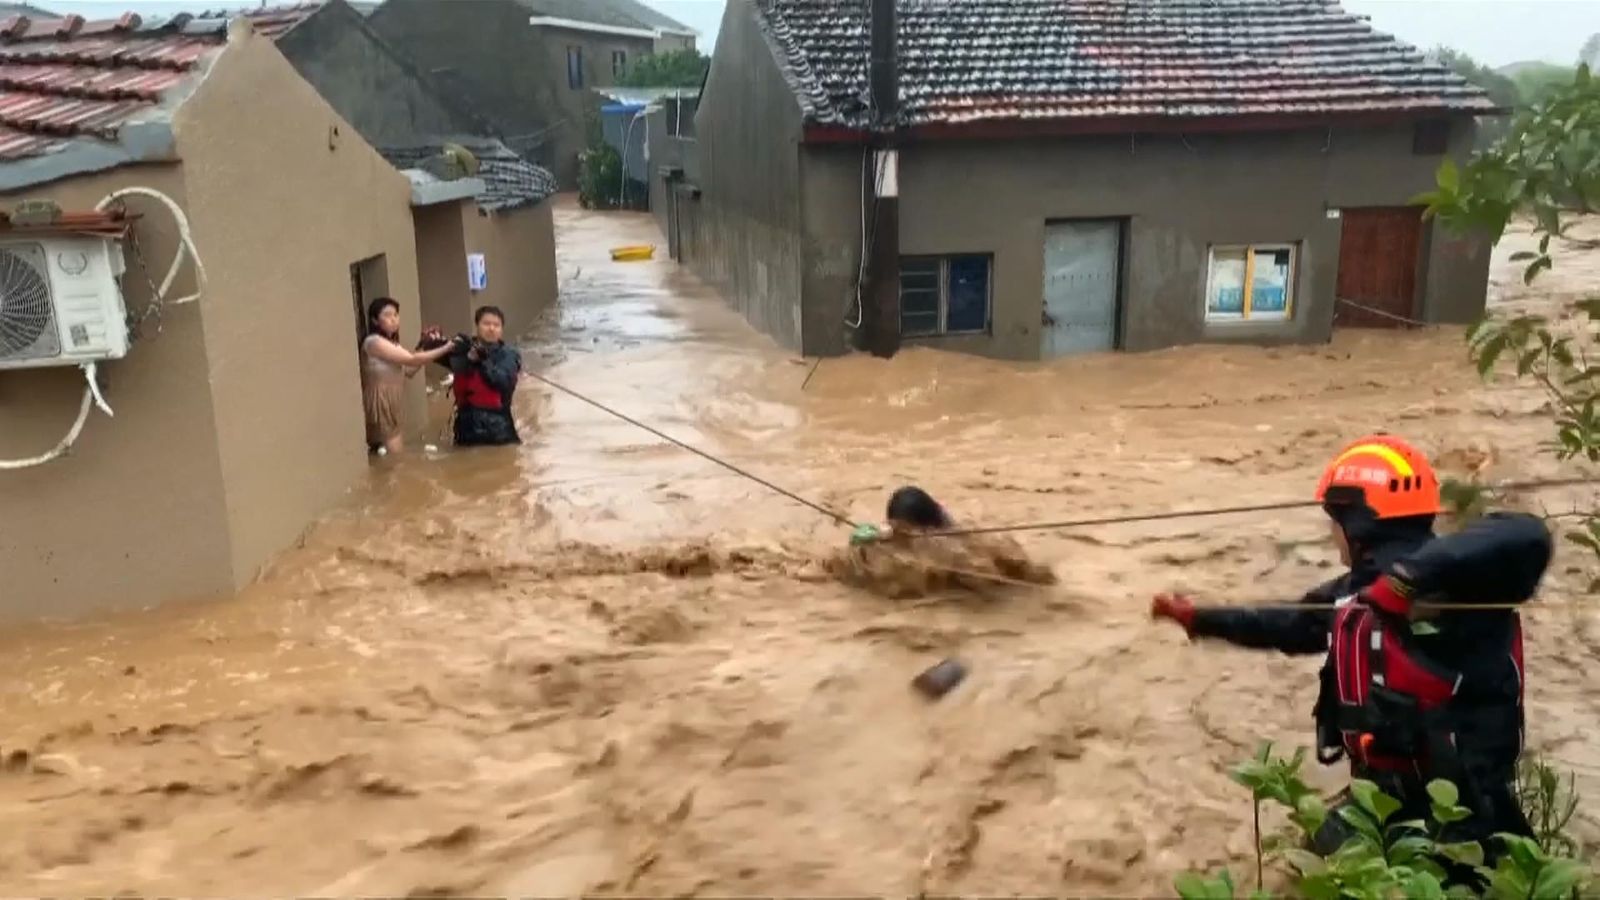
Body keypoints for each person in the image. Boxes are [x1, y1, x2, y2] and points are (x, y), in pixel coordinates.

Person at [1150, 433, 1551, 861]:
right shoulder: (1355, 595)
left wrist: (1407, 579)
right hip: (1391, 798)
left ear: (1358, 524)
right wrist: (1198, 618)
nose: (1332, 535)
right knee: (1312, 855)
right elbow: (1284, 624)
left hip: (1468, 808)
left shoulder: (1464, 582)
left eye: (1334, 522)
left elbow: (1526, 533)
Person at [830, 486, 1056, 598]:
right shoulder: (906, 530)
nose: (898, 533)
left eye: (903, 529)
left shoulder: (949, 547)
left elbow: (988, 581)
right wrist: (867, 539)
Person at [360, 297, 456, 455]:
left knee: (390, 454)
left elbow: (410, 371)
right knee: (395, 455)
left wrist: (424, 345)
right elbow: (412, 360)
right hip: (380, 402)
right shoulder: (374, 342)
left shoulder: (392, 344)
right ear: (375, 320)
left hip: (392, 403)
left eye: (396, 315)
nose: (393, 319)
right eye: (387, 315)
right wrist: (447, 347)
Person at [440, 305, 522, 447]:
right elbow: (441, 360)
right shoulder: (464, 349)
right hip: (466, 428)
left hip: (498, 429)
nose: (491, 328)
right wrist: (435, 343)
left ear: (501, 329)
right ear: (477, 325)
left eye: (496, 325)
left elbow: (503, 382)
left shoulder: (509, 354)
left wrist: (484, 361)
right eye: (486, 324)